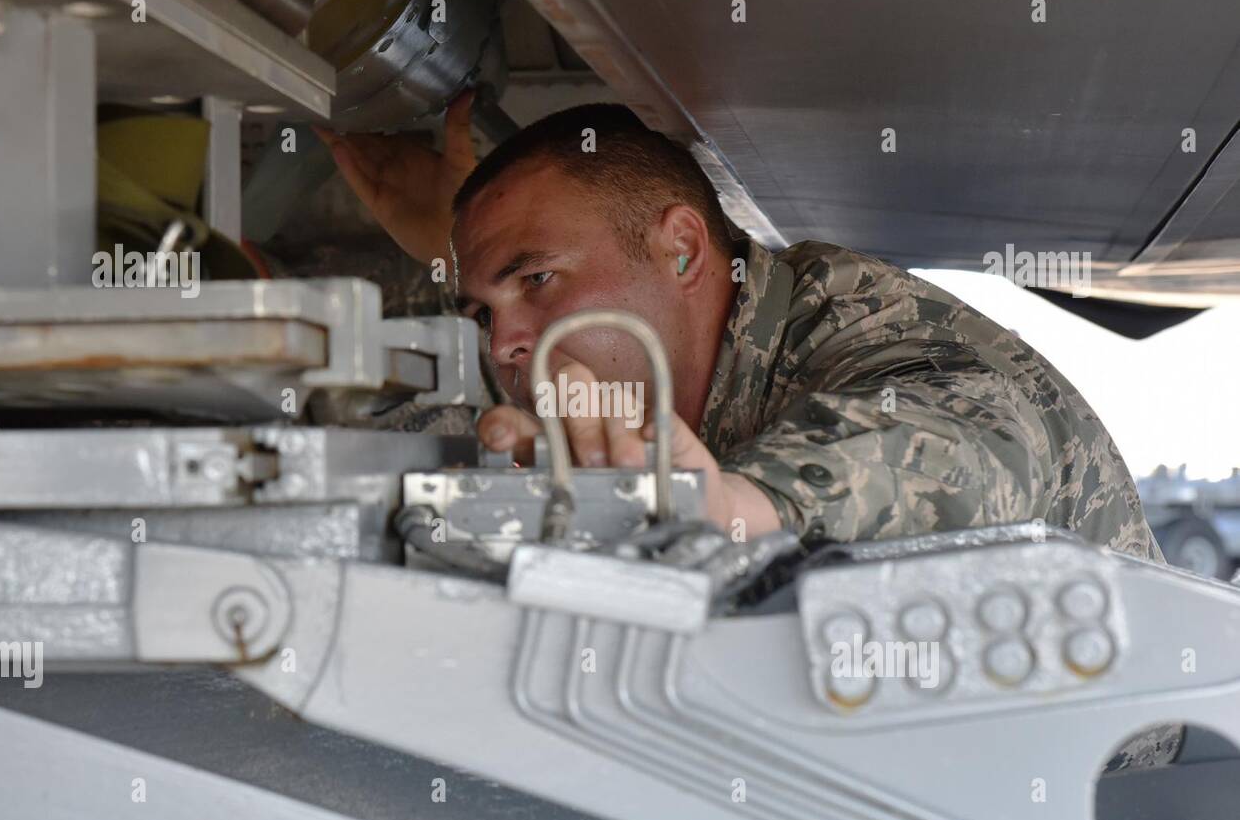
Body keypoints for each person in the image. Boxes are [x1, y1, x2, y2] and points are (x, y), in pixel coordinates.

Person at [318, 93, 1162, 559]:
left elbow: (975, 433)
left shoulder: (840, 317)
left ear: (682, 249)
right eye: (483, 311)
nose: (503, 344)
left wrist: (739, 505)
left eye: (537, 279)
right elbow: (438, 441)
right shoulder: (601, 379)